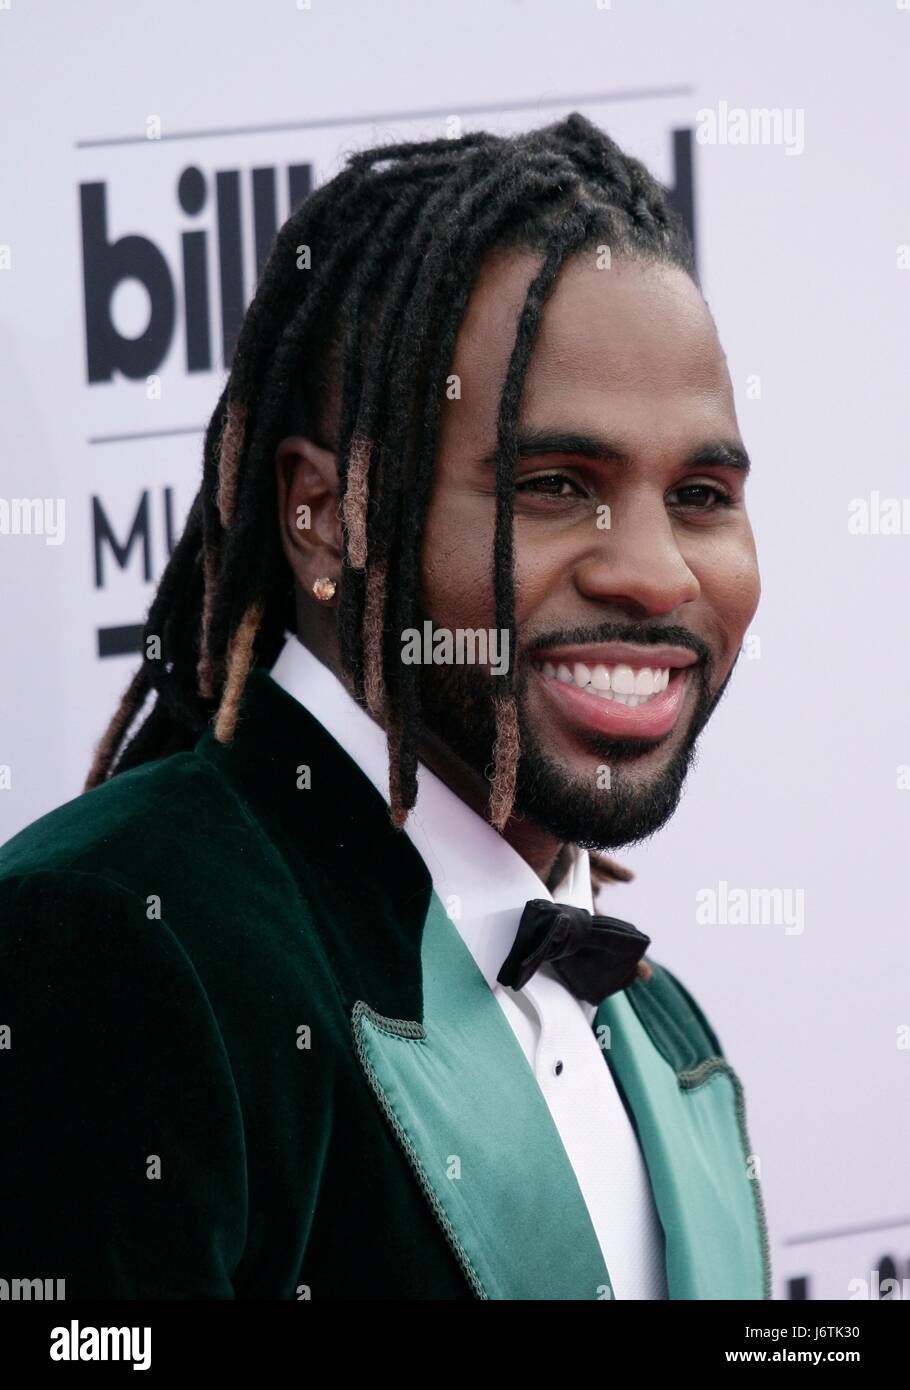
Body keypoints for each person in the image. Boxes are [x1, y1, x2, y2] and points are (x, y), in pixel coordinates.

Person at [0, 112, 767, 1300]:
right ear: (320, 513)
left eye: (703, 493)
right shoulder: (112, 944)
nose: (659, 573)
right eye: (556, 486)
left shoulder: (665, 1035)